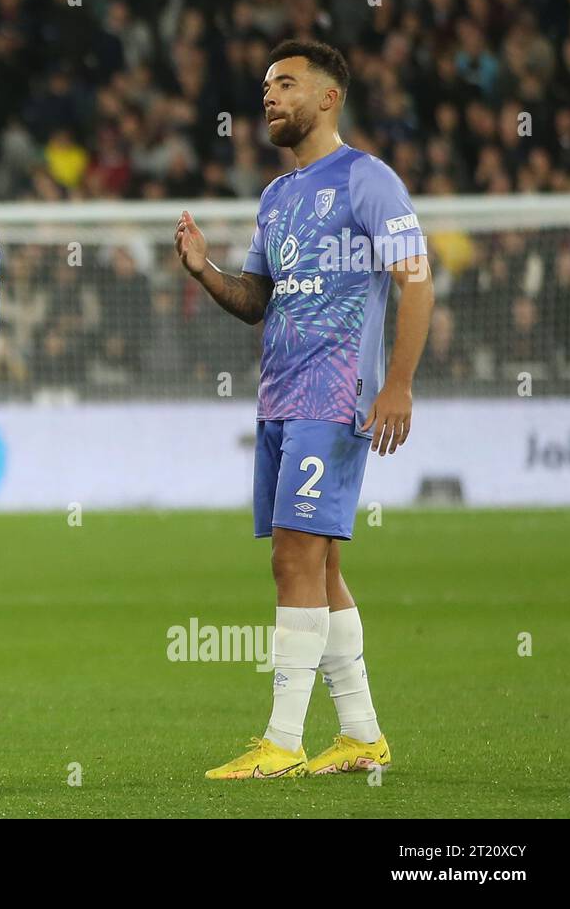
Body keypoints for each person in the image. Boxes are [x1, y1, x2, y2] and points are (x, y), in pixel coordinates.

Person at [176, 40, 434, 779]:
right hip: (281, 398)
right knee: (318, 569)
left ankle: (282, 743)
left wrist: (399, 384)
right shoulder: (276, 197)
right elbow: (257, 300)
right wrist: (206, 269)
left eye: (285, 84)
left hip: (335, 394)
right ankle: (361, 735)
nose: (269, 97)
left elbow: (416, 282)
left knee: (293, 558)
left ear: (328, 98)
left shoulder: (368, 180)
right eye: (265, 86)